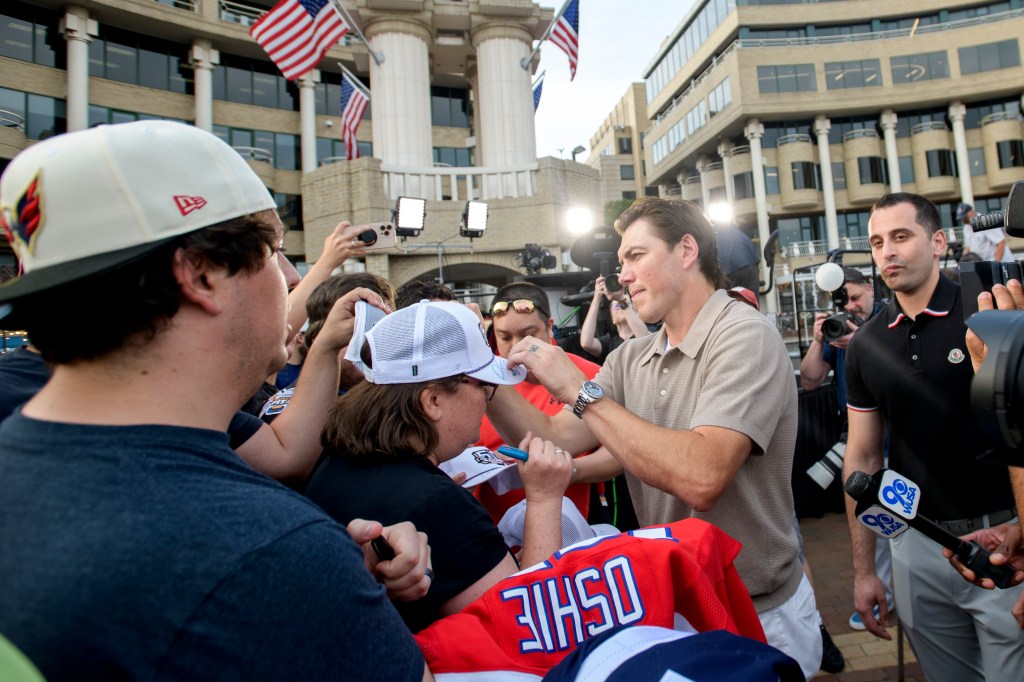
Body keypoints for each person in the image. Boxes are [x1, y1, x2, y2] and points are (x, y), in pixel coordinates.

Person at [0, 121, 433, 680]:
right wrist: (320, 588)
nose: (290, 277)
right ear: (202, 275)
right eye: (275, 249)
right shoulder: (273, 554)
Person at [485, 197, 821, 678]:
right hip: (679, 611)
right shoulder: (631, 357)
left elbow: (701, 478)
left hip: (759, 611)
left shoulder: (745, 335)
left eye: (636, 256)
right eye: (621, 261)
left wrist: (579, 390)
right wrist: (480, 376)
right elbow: (556, 433)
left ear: (687, 250)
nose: (622, 274)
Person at [305, 301, 573, 632]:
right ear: (432, 401)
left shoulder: (336, 456)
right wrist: (545, 497)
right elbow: (532, 622)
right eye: (484, 385)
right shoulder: (436, 504)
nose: (488, 398)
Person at [842, 192, 1024, 681]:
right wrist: (865, 571)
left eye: (901, 236)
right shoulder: (866, 343)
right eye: (878, 242)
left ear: (938, 241)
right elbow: (861, 456)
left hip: (1005, 539)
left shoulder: (987, 310)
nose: (888, 252)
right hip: (916, 544)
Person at [799, 266, 894, 633]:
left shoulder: (888, 321)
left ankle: (903, 593)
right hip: (858, 444)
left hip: (895, 445)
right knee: (873, 523)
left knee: (901, 528)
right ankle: (883, 593)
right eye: (844, 301)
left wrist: (862, 344)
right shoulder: (838, 331)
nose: (851, 307)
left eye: (856, 297)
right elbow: (809, 382)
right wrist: (819, 340)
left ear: (871, 289)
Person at [477, 282, 600, 523]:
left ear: (550, 327)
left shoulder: (587, 374)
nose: (517, 347)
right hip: (490, 528)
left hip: (567, 526)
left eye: (528, 335)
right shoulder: (476, 380)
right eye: (504, 337)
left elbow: (616, 454)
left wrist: (568, 471)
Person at [259, 272, 395, 425]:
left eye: (380, 332)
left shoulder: (394, 400)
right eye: (357, 333)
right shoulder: (291, 410)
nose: (369, 345)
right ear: (317, 338)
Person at [579, 274, 650, 364]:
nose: (621, 307)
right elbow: (586, 343)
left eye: (627, 303)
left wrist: (621, 300)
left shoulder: (648, 333)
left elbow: (645, 340)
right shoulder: (609, 342)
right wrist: (596, 298)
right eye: (616, 306)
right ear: (612, 318)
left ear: (636, 313)